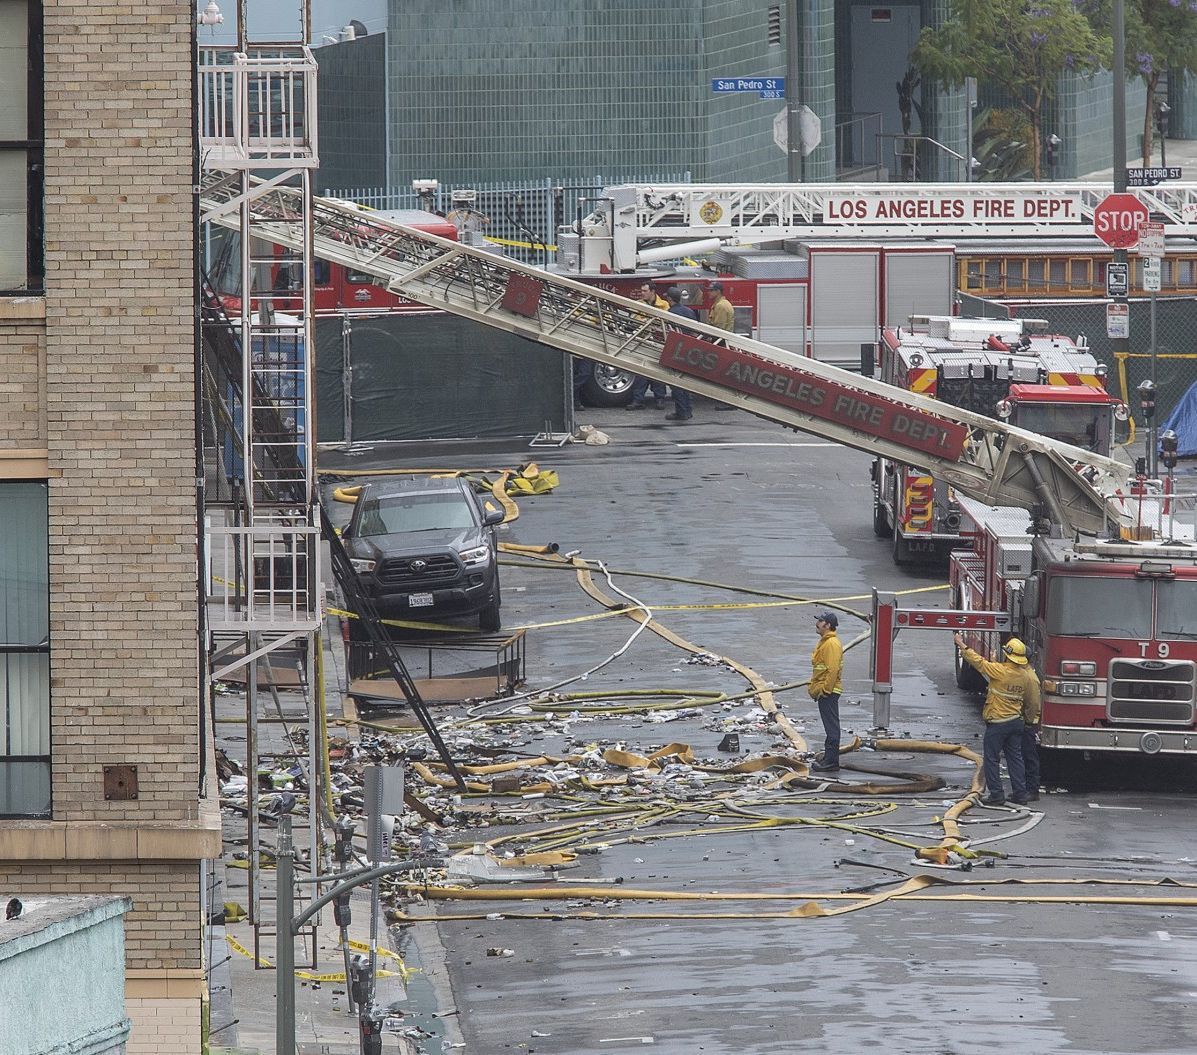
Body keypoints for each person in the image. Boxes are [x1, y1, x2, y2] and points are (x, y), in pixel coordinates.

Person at [953, 634, 1040, 806]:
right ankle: (1020, 794)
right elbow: (1032, 702)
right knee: (1015, 758)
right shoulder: (1025, 676)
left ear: (1008, 655)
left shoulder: (1000, 671)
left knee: (991, 759)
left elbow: (979, 662)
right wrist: (1029, 722)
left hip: (998, 724)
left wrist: (961, 645)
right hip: (1016, 722)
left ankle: (997, 795)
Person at [808, 611, 844, 772]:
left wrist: (825, 690)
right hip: (825, 690)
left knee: (831, 727)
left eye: (820, 621)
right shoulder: (825, 642)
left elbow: (833, 669)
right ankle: (829, 759)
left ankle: (831, 762)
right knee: (830, 726)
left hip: (828, 691)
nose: (817, 624)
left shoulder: (831, 644)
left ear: (828, 625)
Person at [626, 282, 670, 410]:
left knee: (658, 372)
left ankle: (660, 399)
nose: (642, 293)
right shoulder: (638, 304)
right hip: (643, 342)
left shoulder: (664, 305)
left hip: (658, 343)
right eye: (642, 291)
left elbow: (666, 322)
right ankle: (638, 400)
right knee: (641, 372)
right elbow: (632, 320)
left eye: (645, 291)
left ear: (652, 291)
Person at [664, 286, 697, 421]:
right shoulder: (689, 312)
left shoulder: (670, 313)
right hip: (689, 351)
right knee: (686, 382)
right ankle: (688, 410)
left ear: (670, 299)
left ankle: (681, 412)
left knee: (676, 382)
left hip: (676, 351)